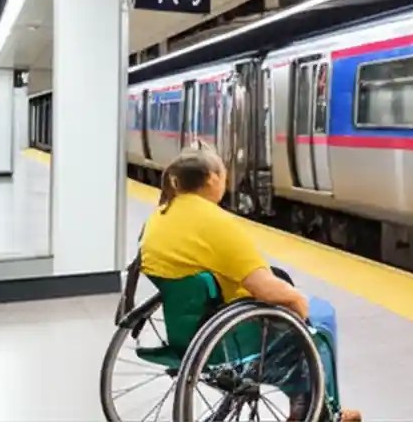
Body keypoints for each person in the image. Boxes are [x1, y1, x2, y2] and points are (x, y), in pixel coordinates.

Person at [139, 146, 362, 422]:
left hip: (186, 334)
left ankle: (307, 405)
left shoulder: (160, 216)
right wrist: (297, 303)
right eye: (223, 173)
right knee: (319, 319)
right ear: (211, 178)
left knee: (294, 318)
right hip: (230, 341)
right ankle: (323, 413)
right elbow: (266, 288)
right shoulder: (215, 222)